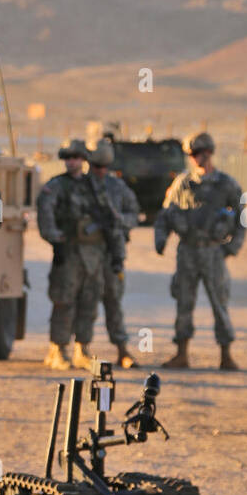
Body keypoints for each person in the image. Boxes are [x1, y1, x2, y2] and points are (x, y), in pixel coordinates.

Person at [154, 132, 245, 370]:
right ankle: (181, 354)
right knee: (184, 302)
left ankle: (226, 355)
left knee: (219, 302)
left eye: (196, 154)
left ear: (209, 153)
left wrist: (232, 247)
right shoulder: (182, 183)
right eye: (190, 155)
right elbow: (166, 213)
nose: (193, 159)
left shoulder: (226, 184)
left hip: (213, 252)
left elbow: (241, 217)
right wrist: (161, 239)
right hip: (188, 251)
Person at [37, 140, 125, 370]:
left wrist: (116, 251)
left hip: (94, 255)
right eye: (67, 158)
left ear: (83, 160)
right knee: (64, 300)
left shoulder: (95, 186)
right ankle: (57, 349)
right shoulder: (56, 186)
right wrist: (57, 240)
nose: (71, 162)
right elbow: (45, 218)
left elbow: (111, 218)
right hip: (70, 252)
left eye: (76, 157)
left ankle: (82, 348)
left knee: (90, 301)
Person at [90, 138, 140, 368]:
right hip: (86, 254)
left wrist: (121, 223)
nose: (99, 171)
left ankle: (122, 349)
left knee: (114, 302)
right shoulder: (82, 185)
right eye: (95, 166)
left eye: (103, 167)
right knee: (85, 302)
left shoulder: (118, 187)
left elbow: (133, 212)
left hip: (112, 253)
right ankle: (80, 348)